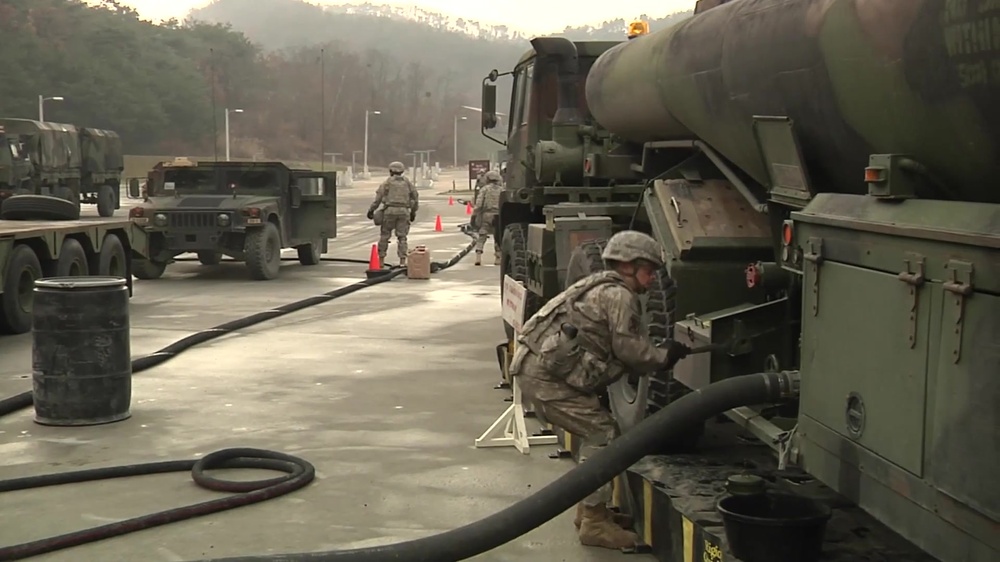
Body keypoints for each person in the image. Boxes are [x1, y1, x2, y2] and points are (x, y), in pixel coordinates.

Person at [509, 230, 692, 550]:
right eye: (648, 271)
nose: (651, 279)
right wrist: (664, 356)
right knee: (602, 433)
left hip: (537, 368)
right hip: (543, 378)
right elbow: (630, 350)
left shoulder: (599, 285)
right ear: (628, 266)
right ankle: (594, 523)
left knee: (596, 431)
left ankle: (590, 511)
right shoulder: (620, 296)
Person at [367, 161, 419, 267]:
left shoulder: (386, 183)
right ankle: (402, 261)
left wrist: (371, 210)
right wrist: (413, 212)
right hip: (404, 211)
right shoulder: (408, 183)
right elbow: (415, 198)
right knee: (402, 237)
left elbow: (378, 199)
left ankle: (381, 260)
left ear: (391, 171)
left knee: (385, 236)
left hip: (389, 211)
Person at [472, 169, 503, 266]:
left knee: (482, 235)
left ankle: (478, 257)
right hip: (498, 215)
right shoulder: (502, 190)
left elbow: (478, 204)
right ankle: (498, 258)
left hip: (486, 215)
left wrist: (474, 215)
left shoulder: (484, 189)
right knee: (498, 237)